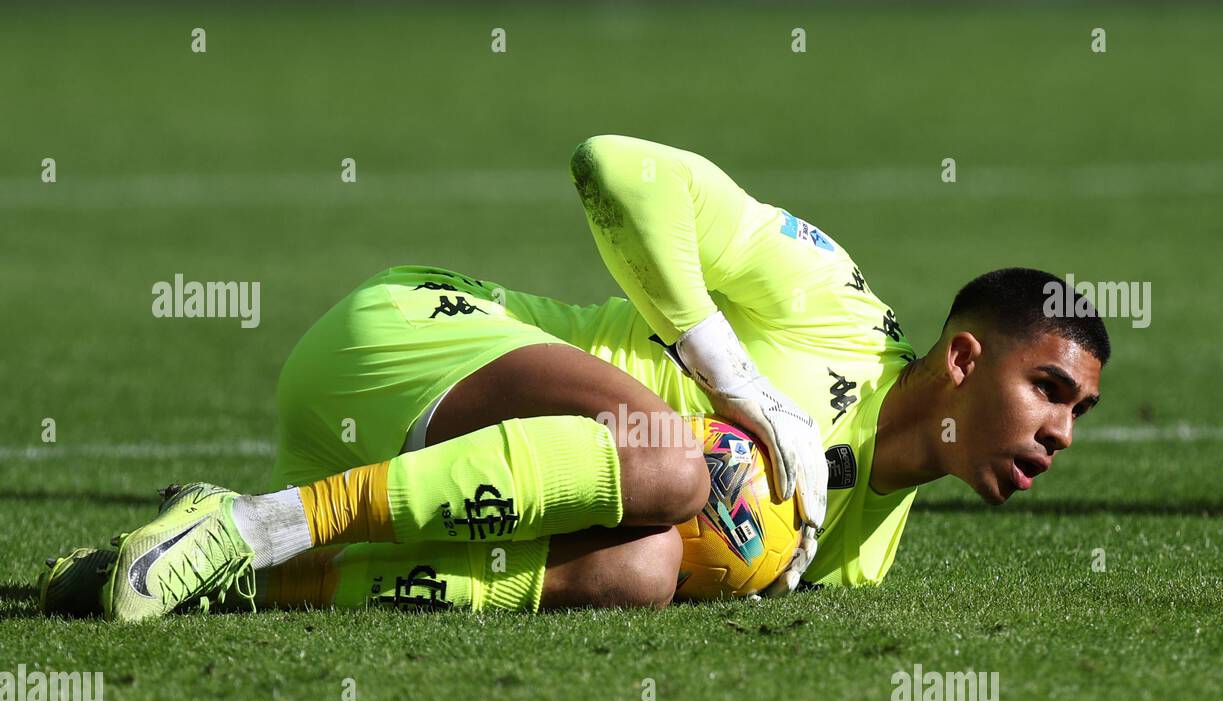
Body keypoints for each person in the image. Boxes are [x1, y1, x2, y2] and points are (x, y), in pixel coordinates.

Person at [38, 136, 1108, 620]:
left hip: (409, 480)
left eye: (1081, 414)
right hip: (408, 340)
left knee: (640, 572)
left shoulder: (865, 553)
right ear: (965, 355)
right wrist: (729, 377)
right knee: (679, 467)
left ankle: (231, 565)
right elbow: (615, 166)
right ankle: (263, 527)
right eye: (1051, 389)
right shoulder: (831, 298)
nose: (1062, 432)